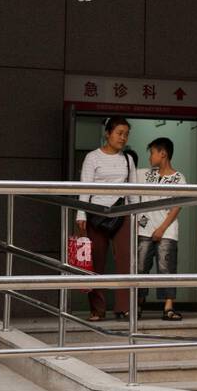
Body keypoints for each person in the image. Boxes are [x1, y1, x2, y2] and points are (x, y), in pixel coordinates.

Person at [76, 116, 137, 321]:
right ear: (108, 133)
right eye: (119, 133)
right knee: (96, 262)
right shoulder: (92, 157)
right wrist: (81, 212)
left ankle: (124, 307)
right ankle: (97, 310)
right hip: (96, 213)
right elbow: (84, 187)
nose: (123, 138)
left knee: (125, 261)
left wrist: (135, 214)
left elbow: (134, 190)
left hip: (121, 213)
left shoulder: (127, 159)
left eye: (126, 134)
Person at [137, 137, 186, 322]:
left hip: (168, 230)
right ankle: (138, 304)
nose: (150, 157)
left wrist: (162, 228)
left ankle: (168, 307)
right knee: (141, 268)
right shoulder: (143, 174)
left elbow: (177, 205)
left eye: (152, 153)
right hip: (144, 229)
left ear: (163, 153)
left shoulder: (178, 178)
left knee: (167, 268)